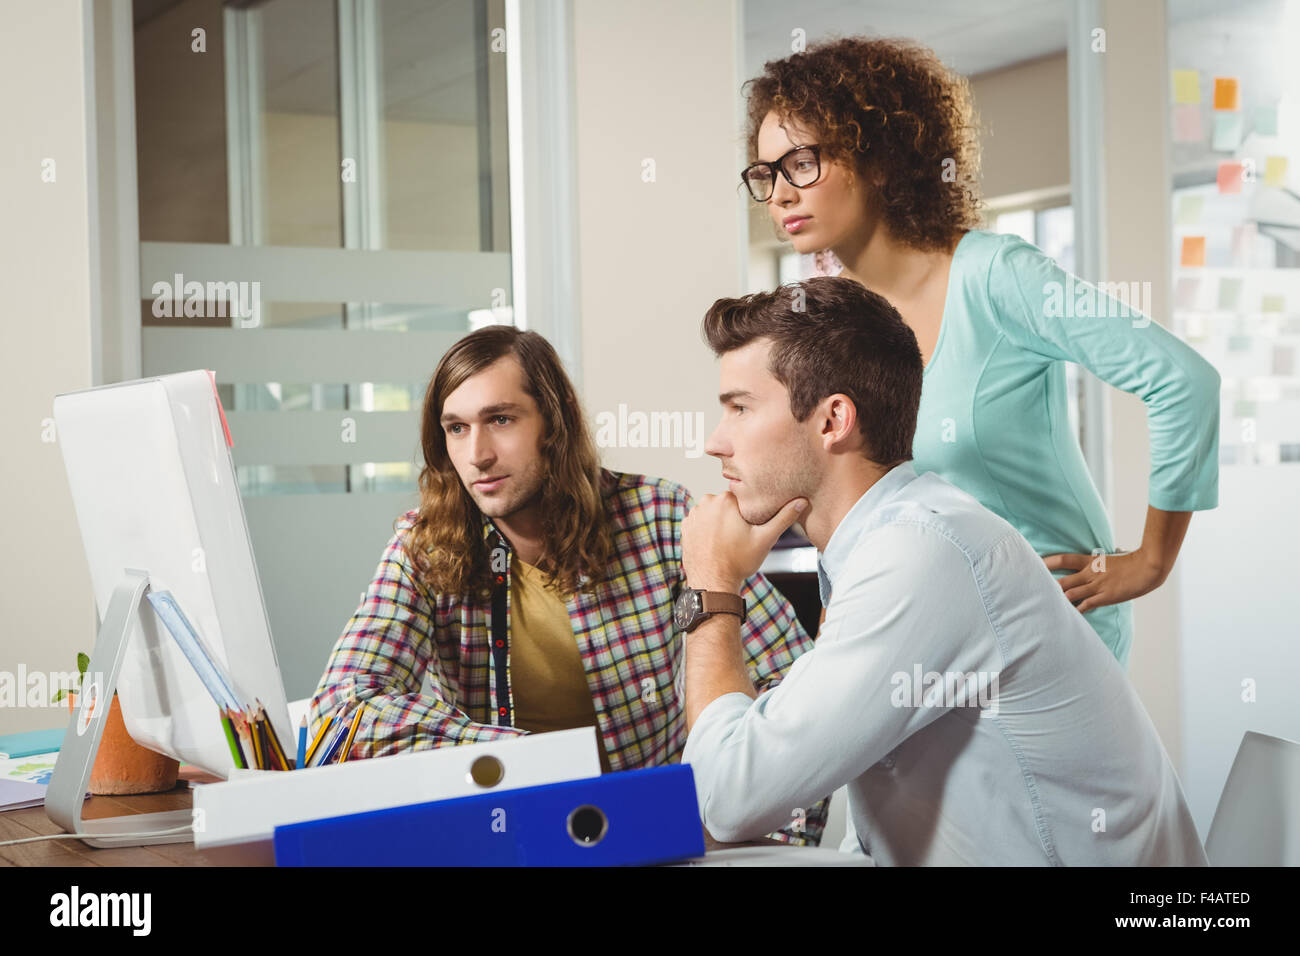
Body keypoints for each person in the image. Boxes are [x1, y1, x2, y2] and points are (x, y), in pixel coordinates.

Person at [679, 276, 1208, 865]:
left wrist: (711, 588)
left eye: (740, 409)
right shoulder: (893, 539)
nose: (715, 442)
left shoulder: (918, 553)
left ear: (833, 421)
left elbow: (722, 801)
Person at [738, 36, 1220, 668]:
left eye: (803, 163)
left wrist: (1151, 561)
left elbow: (1184, 381)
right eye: (767, 174)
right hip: (918, 636)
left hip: (1048, 630)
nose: (780, 193)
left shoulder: (997, 276)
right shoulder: (830, 313)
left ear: (878, 159)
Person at [308, 324, 827, 846]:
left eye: (501, 420)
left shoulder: (660, 518)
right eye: (457, 429)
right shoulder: (423, 546)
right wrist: (533, 763)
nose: (478, 454)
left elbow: (794, 690)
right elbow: (340, 713)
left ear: (552, 425)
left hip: (661, 839)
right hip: (506, 839)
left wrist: (768, 843)